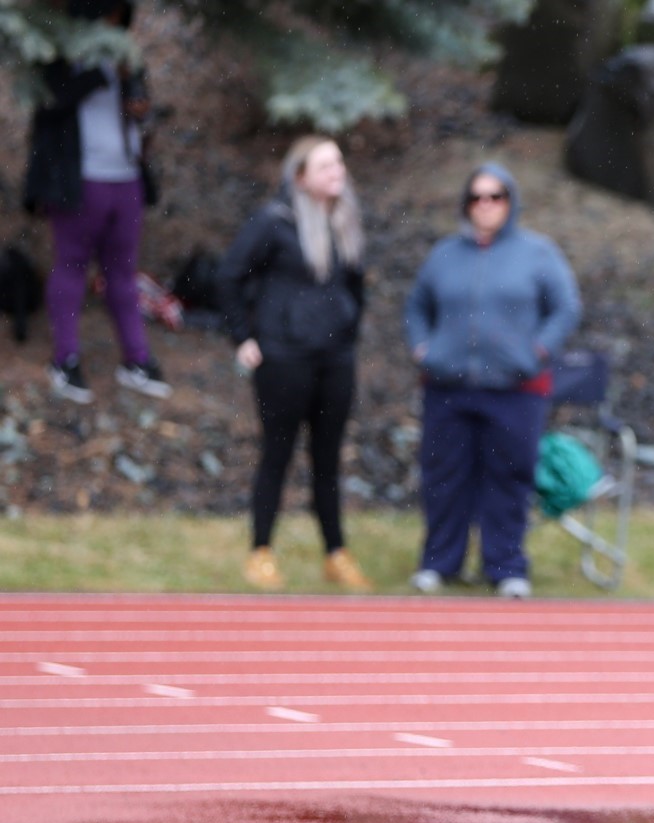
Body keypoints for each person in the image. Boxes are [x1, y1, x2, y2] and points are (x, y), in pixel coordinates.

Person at [405, 163, 581, 600]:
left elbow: (566, 308)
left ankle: (505, 566)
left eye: (495, 196)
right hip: (449, 386)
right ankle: (439, 563)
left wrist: (537, 351)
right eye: (477, 197)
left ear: (510, 201)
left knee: (508, 477)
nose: (486, 205)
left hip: (515, 390)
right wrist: (423, 348)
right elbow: (416, 306)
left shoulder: (537, 253)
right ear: (466, 204)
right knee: (444, 477)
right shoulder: (445, 254)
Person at [219, 135, 372, 592]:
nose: (336, 172)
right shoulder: (274, 222)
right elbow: (228, 275)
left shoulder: (345, 222)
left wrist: (348, 329)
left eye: (339, 163)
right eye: (325, 166)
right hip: (284, 356)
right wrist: (242, 337)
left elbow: (356, 287)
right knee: (277, 453)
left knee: (327, 458)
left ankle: (336, 553)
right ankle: (261, 550)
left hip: (335, 357)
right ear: (301, 176)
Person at [23, 0, 170, 404]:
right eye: (107, 18)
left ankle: (137, 359)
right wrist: (95, 77)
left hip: (126, 178)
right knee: (70, 265)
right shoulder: (62, 58)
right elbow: (49, 105)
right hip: (79, 179)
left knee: (122, 272)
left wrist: (140, 111)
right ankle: (66, 359)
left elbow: (142, 120)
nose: (113, 27)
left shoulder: (129, 63)